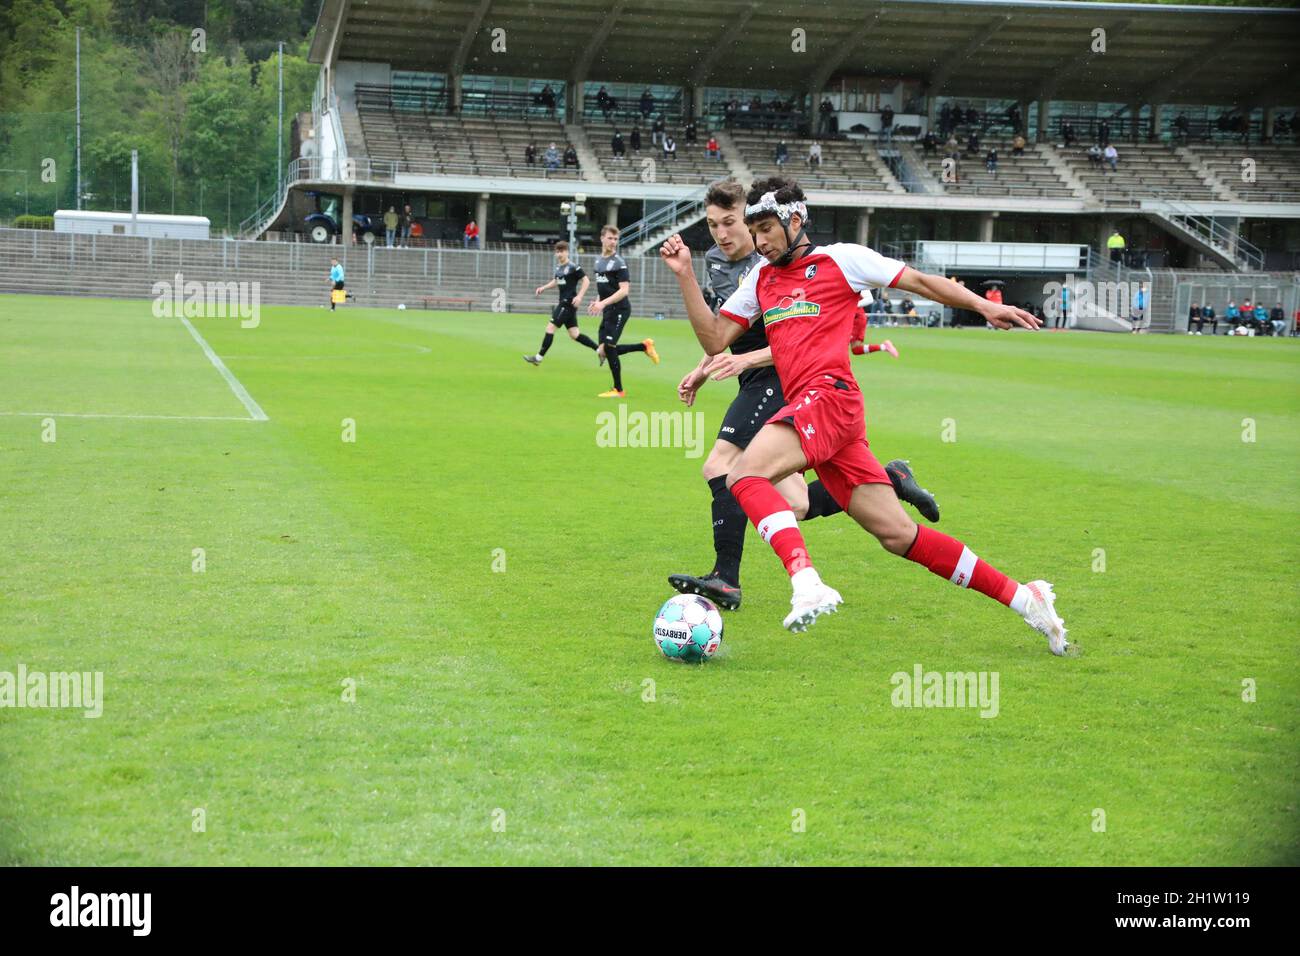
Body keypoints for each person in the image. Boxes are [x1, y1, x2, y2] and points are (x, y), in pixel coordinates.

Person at [659, 177, 1068, 654]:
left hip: (830, 398)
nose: (761, 241)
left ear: (795, 221)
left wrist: (982, 306)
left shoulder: (842, 259)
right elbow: (713, 340)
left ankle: (806, 581)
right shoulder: (761, 279)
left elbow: (918, 281)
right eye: (756, 230)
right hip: (823, 416)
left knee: (743, 474)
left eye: (767, 228)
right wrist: (685, 274)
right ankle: (1026, 598)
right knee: (899, 536)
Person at [665, 178, 934, 610]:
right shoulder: (718, 261)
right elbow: (722, 333)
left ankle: (725, 578)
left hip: (782, 377)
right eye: (714, 225)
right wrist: (703, 369)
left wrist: (747, 360)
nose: (723, 233)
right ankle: (890, 479)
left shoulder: (775, 256)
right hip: (750, 377)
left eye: (731, 222)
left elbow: (804, 336)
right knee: (797, 501)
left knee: (722, 466)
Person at [589, 225, 659, 397]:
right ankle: (644, 346)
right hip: (608, 309)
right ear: (602, 238)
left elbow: (623, 290)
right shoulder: (598, 262)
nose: (613, 242)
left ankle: (618, 390)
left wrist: (603, 303)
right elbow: (603, 287)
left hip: (620, 309)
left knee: (609, 348)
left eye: (615, 239)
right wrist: (598, 301)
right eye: (610, 238)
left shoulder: (619, 263)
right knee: (603, 350)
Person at [523, 241, 599, 366]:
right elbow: (556, 281)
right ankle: (599, 350)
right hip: (566, 304)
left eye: (562, 251)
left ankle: (538, 358)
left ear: (567, 252)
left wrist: (579, 296)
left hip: (567, 303)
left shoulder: (574, 266)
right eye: (557, 252)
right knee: (575, 335)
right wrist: (543, 287)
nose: (559, 254)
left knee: (550, 328)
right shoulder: (559, 267)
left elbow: (586, 281)